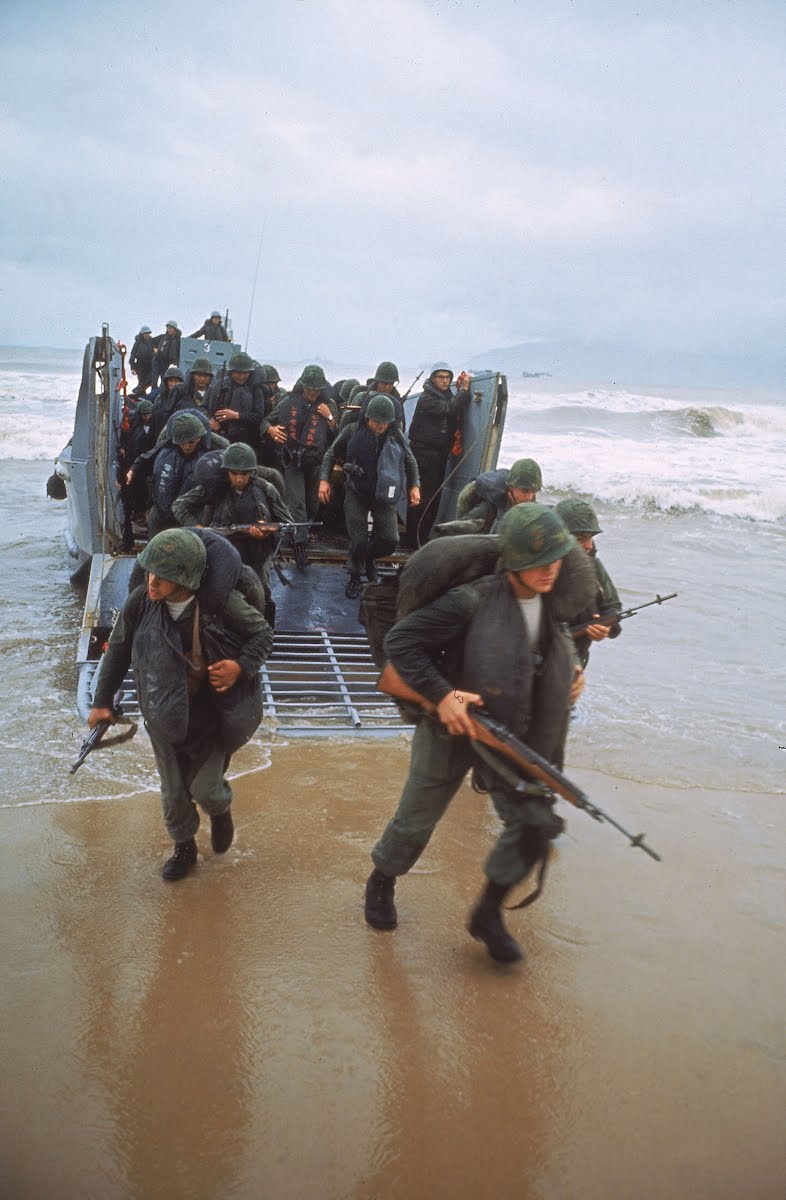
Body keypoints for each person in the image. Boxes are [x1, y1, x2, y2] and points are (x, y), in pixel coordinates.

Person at [364, 503, 585, 965]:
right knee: (415, 819)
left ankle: (487, 912)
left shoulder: (550, 605)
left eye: (556, 560)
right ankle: (383, 878)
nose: (550, 571)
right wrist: (443, 696)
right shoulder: (472, 599)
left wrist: (573, 671)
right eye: (539, 563)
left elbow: (549, 651)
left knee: (532, 822)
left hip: (507, 727)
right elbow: (401, 643)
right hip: (449, 724)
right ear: (515, 563)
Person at [87, 528, 273, 881]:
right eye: (150, 572)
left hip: (212, 717)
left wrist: (240, 667)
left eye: (163, 576)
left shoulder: (221, 605)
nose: (152, 582)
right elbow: (119, 652)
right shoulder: (142, 601)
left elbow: (263, 633)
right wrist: (101, 702)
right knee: (173, 793)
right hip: (162, 708)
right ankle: (184, 849)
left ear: (187, 580)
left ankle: (220, 810)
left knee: (206, 790)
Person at [173, 441, 292, 620]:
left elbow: (288, 525)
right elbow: (180, 505)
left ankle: (262, 631)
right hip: (222, 548)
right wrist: (198, 528)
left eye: (244, 474)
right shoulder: (216, 488)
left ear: (252, 472)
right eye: (234, 473)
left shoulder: (265, 489)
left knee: (262, 591)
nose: (239, 479)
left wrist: (268, 532)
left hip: (257, 552)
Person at [319, 394, 420, 598]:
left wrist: (415, 485)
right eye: (376, 421)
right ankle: (355, 576)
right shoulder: (352, 431)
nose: (380, 426)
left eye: (385, 422)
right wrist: (324, 480)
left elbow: (410, 460)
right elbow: (330, 454)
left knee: (391, 540)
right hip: (357, 491)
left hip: (383, 493)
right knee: (358, 539)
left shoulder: (395, 435)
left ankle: (367, 558)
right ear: (367, 418)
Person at [261, 364, 339, 568]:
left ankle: (299, 530)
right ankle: (300, 544)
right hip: (292, 461)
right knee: (298, 505)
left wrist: (329, 418)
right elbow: (265, 422)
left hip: (316, 462)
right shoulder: (288, 402)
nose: (312, 393)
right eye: (309, 389)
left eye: (316, 389)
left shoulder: (328, 405)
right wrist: (270, 430)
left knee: (313, 505)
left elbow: (338, 433)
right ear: (302, 386)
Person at [405, 362, 471, 546]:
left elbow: (451, 404)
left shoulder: (443, 396)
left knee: (433, 499)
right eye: (441, 377)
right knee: (421, 498)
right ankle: (413, 539)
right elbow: (449, 408)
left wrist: (458, 391)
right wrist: (464, 391)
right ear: (433, 379)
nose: (445, 380)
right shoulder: (427, 399)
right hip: (423, 454)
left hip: (438, 455)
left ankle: (421, 537)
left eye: (447, 377)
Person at [554, 498, 622, 669]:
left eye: (591, 538)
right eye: (580, 538)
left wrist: (606, 628)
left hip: (575, 662)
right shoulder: (540, 568)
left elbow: (612, 609)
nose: (589, 546)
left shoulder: (593, 567)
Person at [451, 458, 543, 533]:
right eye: (525, 491)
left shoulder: (528, 494)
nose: (529, 497)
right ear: (511, 487)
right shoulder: (494, 497)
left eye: (534, 491)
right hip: (469, 499)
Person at [206, 351, 265, 450]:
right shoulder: (218, 386)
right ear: (231, 372)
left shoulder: (255, 389)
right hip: (220, 434)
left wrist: (236, 415)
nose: (242, 376)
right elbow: (203, 407)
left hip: (247, 438)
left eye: (245, 373)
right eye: (238, 373)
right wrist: (209, 421)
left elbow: (258, 416)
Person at [119, 398, 156, 549]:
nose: (147, 417)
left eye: (149, 414)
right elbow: (131, 447)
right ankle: (139, 514)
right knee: (137, 492)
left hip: (146, 464)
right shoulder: (135, 430)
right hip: (137, 465)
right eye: (144, 414)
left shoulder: (153, 428)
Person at [352, 361, 406, 430]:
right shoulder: (362, 397)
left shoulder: (397, 401)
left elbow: (402, 426)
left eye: (391, 384)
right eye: (384, 383)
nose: (387, 387)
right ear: (378, 381)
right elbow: (351, 419)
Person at [149, 365, 186, 438]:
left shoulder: (185, 399)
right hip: (160, 435)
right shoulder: (159, 400)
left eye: (176, 381)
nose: (173, 384)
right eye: (171, 381)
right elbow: (153, 422)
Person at [151, 321, 182, 390]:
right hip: (157, 361)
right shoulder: (162, 337)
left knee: (164, 382)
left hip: (166, 364)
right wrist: (154, 349)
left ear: (175, 329)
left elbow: (179, 352)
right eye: (168, 328)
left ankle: (161, 396)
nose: (169, 329)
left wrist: (176, 362)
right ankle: (152, 397)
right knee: (154, 381)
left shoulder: (178, 341)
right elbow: (152, 341)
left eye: (170, 328)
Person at [129, 326, 155, 396]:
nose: (147, 335)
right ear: (142, 334)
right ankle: (140, 396)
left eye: (148, 333)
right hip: (140, 366)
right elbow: (133, 355)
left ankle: (137, 392)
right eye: (145, 333)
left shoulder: (152, 342)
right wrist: (133, 367)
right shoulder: (137, 343)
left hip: (150, 365)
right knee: (142, 382)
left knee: (150, 381)